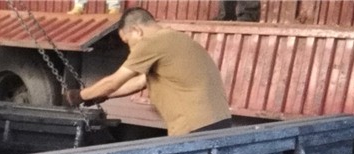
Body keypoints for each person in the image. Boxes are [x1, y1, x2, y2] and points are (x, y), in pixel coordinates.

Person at [64, 8, 231, 136]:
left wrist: (80, 95)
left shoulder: (151, 42)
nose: (130, 49)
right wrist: (103, 95)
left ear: (137, 31)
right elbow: (139, 82)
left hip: (194, 128)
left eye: (127, 41)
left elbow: (113, 81)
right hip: (219, 122)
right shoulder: (175, 38)